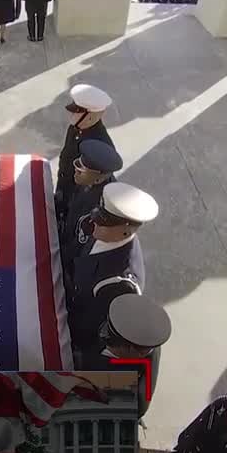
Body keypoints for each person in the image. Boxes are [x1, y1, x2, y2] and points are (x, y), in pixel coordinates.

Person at [68, 182, 158, 364]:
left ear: (125, 230)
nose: (94, 222)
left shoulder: (120, 285)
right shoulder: (106, 235)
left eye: (103, 221)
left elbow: (97, 329)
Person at [94, 294, 170, 418]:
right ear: (131, 349)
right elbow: (140, 408)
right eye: (145, 350)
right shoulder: (116, 380)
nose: (151, 351)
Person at [55, 84, 114, 237]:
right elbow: (66, 157)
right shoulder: (76, 128)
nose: (71, 115)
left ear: (90, 116)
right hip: (66, 188)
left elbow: (96, 182)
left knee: (71, 229)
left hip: (81, 198)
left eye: (77, 112)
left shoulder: (100, 146)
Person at [61, 139, 123, 272]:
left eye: (81, 171)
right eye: (77, 167)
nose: (75, 172)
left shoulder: (102, 207)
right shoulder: (87, 182)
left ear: (98, 178)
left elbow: (82, 245)